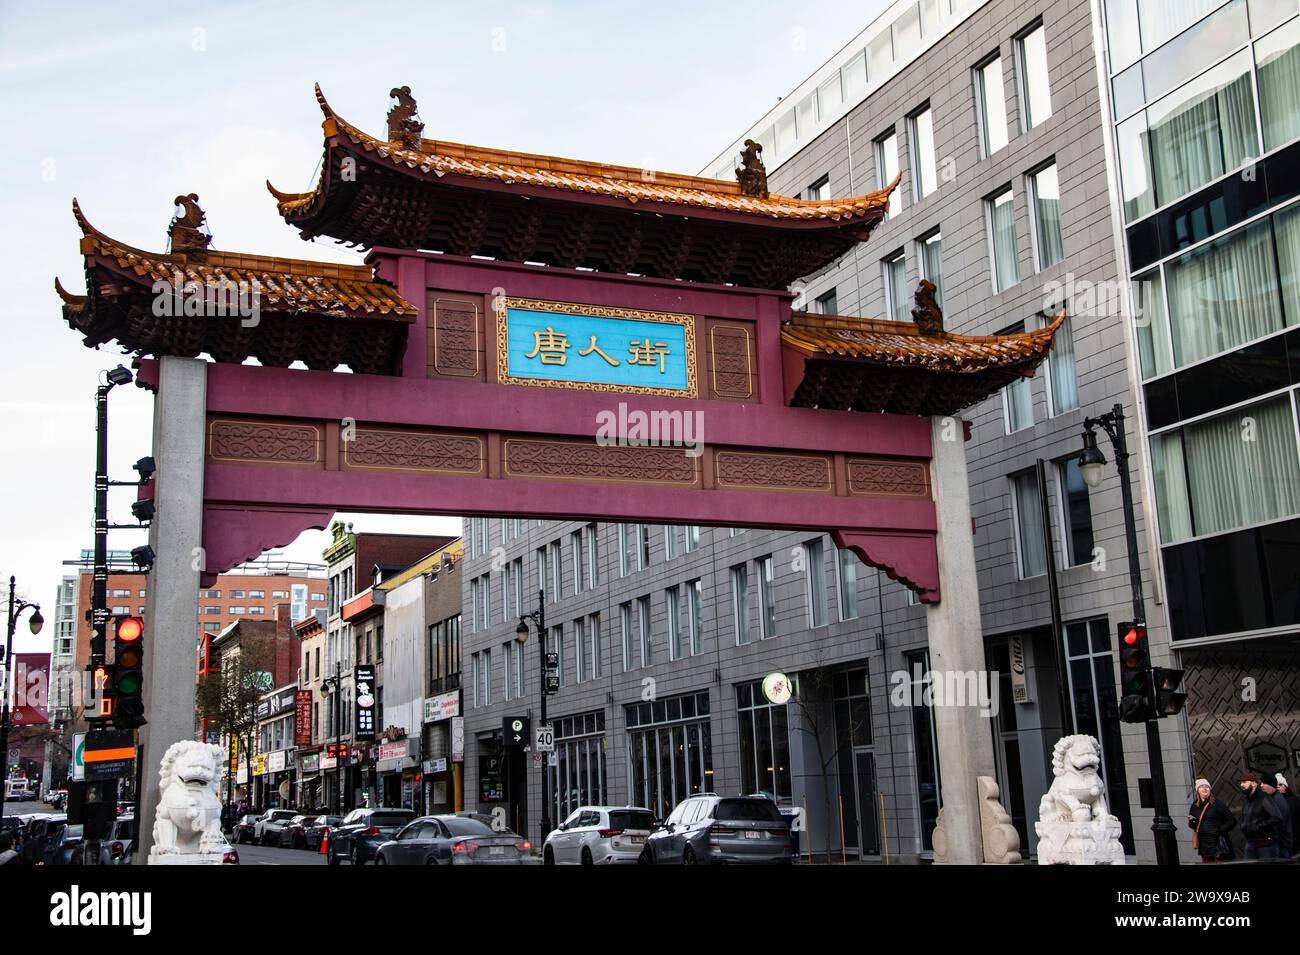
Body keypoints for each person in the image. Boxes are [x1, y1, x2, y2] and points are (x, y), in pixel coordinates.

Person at [1238, 771, 1286, 859]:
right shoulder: (1247, 800)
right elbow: (1245, 817)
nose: (1241, 784)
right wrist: (1243, 826)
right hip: (1251, 842)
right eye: (1241, 782)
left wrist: (1259, 826)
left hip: (1265, 844)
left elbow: (1277, 817)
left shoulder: (1264, 797)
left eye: (1244, 782)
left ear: (1253, 784)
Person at [1187, 778, 1235, 863]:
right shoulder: (1194, 806)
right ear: (1198, 790)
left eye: (1207, 787)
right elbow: (1192, 825)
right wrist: (1192, 822)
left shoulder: (1217, 804)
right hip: (1204, 846)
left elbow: (1232, 820)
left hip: (1218, 845)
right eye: (1202, 786)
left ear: (1210, 790)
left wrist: (1220, 830)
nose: (1205, 788)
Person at [1259, 775, 1293, 857]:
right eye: (1261, 783)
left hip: (1280, 844)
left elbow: (1279, 824)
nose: (1261, 785)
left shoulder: (1277, 800)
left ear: (1271, 785)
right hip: (1278, 843)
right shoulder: (1272, 798)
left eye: (1264, 783)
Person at [1278, 775, 1300, 857]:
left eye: (1280, 785)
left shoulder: (1295, 801)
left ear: (1285, 786)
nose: (1278, 787)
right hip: (1282, 840)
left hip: (1295, 838)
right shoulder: (1273, 801)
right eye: (1276, 785)